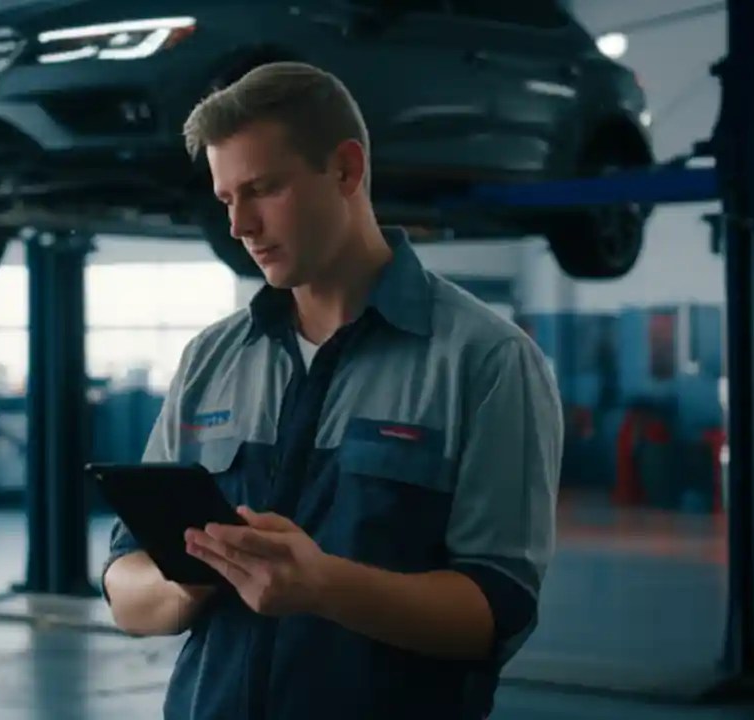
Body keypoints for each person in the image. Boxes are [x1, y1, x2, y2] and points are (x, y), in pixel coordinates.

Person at [100, 61, 563, 720]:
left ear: (346, 170)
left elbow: (497, 609)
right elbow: (124, 579)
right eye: (227, 199)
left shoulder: (485, 361)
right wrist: (187, 585)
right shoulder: (212, 359)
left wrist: (324, 587)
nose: (240, 226)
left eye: (263, 189)